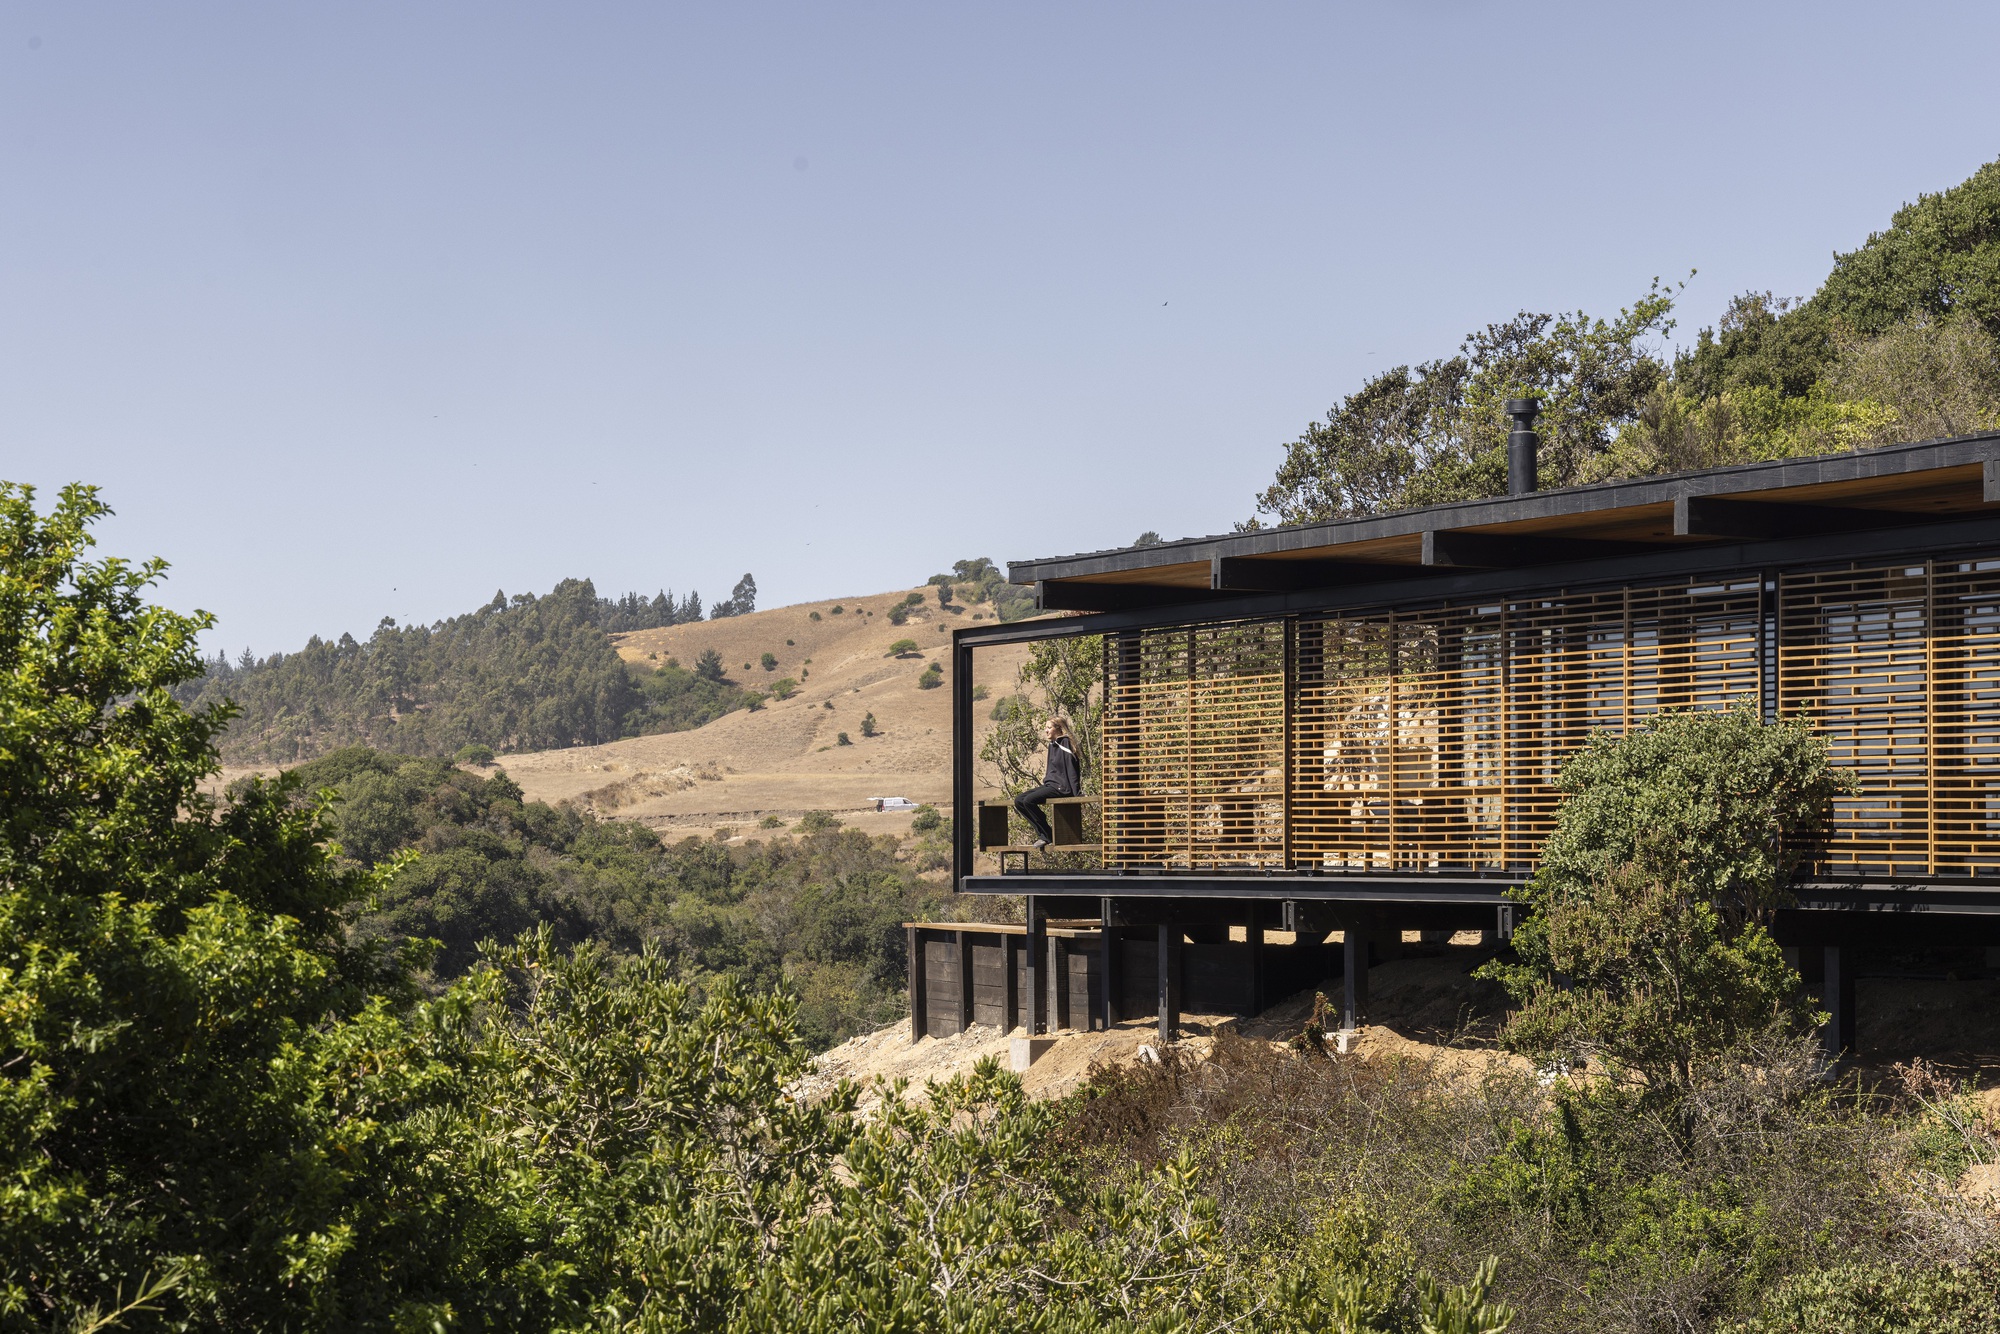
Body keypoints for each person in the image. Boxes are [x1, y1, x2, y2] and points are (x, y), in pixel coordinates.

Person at [1015, 716, 1082, 849]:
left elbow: (1072, 768)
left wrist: (1076, 793)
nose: (1046, 730)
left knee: (1029, 801)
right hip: (1050, 785)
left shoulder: (1065, 743)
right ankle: (1044, 833)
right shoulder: (1053, 745)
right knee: (1019, 800)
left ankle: (1046, 835)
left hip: (1062, 787)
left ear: (1058, 729)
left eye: (1049, 727)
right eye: (1045, 728)